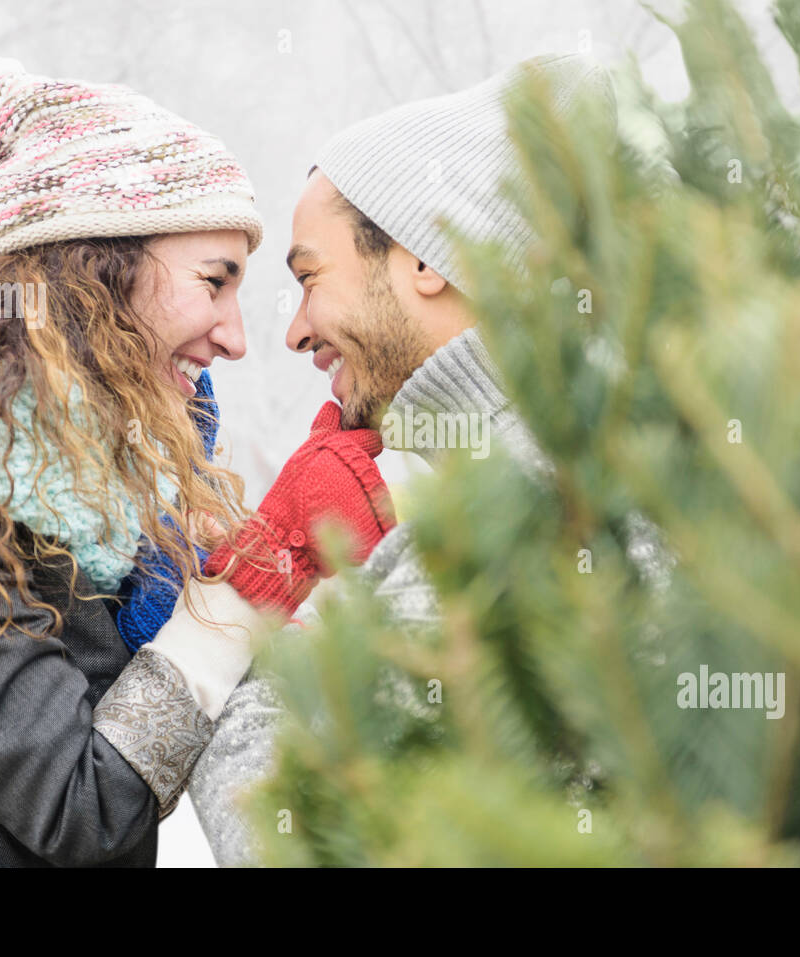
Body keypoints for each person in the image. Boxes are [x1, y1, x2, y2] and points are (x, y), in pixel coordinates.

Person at [0, 58, 393, 866]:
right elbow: (83, 804)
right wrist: (253, 576)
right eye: (215, 281)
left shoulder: (83, 474)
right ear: (99, 270)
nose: (238, 336)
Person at [184, 53, 671, 865]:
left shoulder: (536, 490)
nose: (293, 330)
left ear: (424, 258)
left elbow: (303, 837)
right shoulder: (555, 448)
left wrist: (255, 662)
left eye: (310, 277)